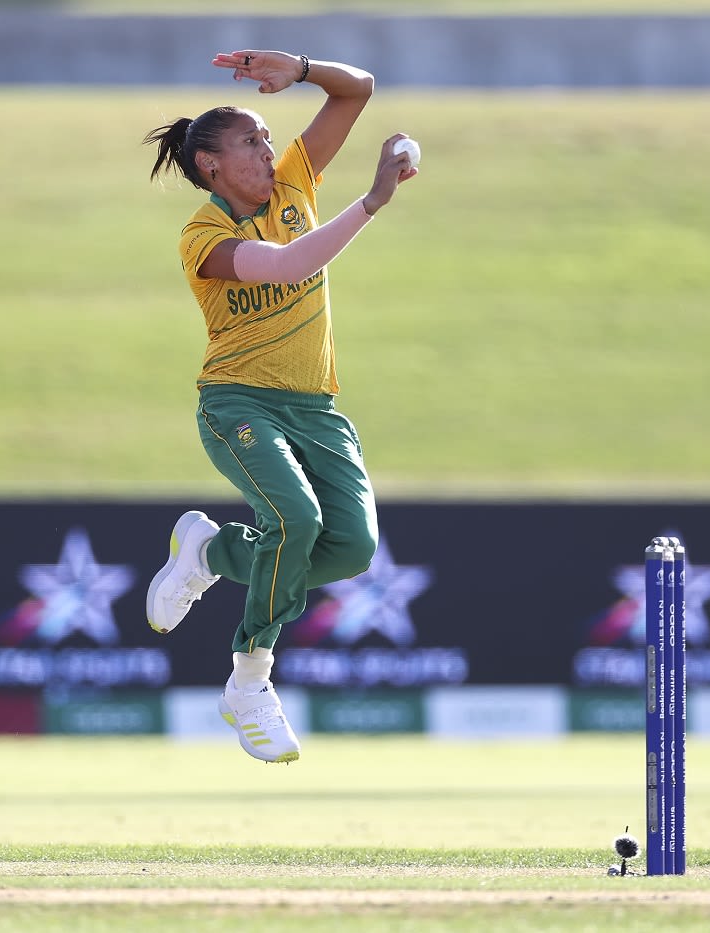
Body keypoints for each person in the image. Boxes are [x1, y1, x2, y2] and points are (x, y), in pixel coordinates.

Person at [143, 50, 417, 764]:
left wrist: (298, 68)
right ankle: (250, 678)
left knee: (350, 547)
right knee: (295, 520)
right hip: (238, 402)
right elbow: (290, 264)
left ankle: (209, 549)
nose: (269, 150)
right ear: (210, 164)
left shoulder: (294, 181)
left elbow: (358, 89)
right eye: (250, 142)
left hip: (316, 406)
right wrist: (371, 203)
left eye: (269, 138)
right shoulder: (202, 238)